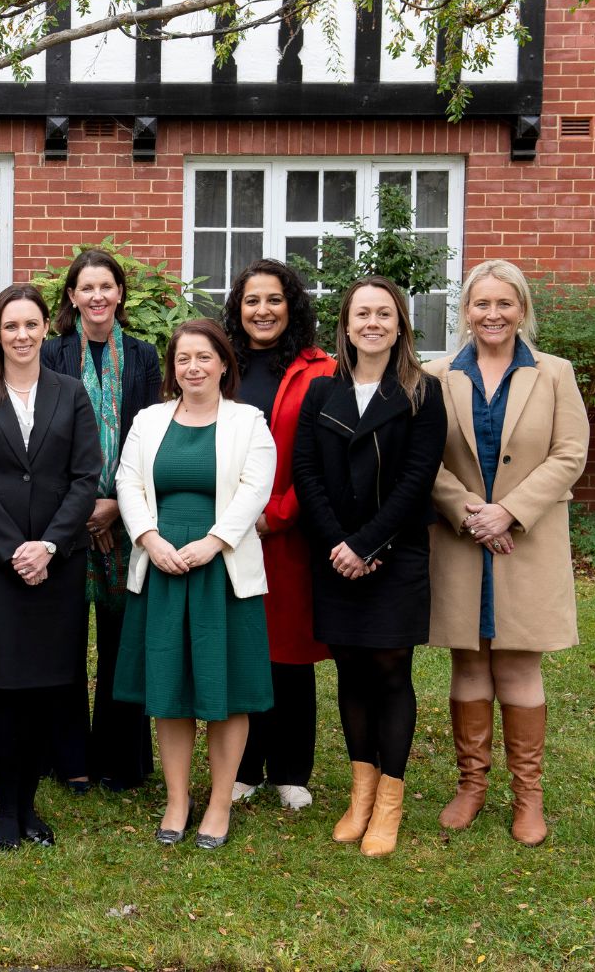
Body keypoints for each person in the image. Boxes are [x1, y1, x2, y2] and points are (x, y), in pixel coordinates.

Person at [425, 260, 588, 847]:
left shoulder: (554, 373)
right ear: (465, 311)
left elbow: (570, 453)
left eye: (504, 304)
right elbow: (423, 458)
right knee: (469, 661)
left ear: (522, 309)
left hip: (528, 540)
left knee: (519, 664)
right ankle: (471, 786)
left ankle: (528, 796)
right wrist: (472, 511)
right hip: (462, 541)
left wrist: (510, 511)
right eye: (481, 304)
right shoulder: (436, 374)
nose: (492, 315)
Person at [292, 277, 447, 857]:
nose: (373, 323)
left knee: (390, 671)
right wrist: (341, 544)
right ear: (347, 325)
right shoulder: (320, 392)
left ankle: (389, 803)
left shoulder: (422, 392)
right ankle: (360, 796)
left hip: (396, 552)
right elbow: (306, 473)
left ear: (400, 324)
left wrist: (368, 545)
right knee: (351, 670)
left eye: (384, 313)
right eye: (363, 314)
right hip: (335, 554)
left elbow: (417, 479)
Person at [0, 283, 100, 850]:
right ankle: (7, 810)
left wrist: (49, 546)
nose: (21, 335)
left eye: (31, 324)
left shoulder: (71, 392)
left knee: (46, 687)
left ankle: (31, 806)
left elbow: (85, 477)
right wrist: (17, 549)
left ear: (45, 329)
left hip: (58, 563)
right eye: (10, 325)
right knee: (8, 687)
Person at [114, 319, 275, 850]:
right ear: (172, 368)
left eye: (204, 357)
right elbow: (128, 482)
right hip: (162, 565)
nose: (193, 367)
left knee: (228, 688)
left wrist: (214, 542)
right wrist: (149, 538)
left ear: (224, 363)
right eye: (183, 359)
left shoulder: (248, 422)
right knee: (170, 688)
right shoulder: (149, 420)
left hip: (222, 570)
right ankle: (177, 800)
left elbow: (255, 489)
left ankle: (221, 802)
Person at [40, 248, 159, 793]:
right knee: (63, 638)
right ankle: (68, 757)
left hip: (128, 514)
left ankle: (120, 757)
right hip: (65, 514)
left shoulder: (143, 356)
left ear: (120, 293)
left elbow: (149, 432)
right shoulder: (52, 352)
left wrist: (116, 505)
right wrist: (84, 506)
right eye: (86, 288)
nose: (97, 296)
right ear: (71, 296)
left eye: (106, 286)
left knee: (122, 639)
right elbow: (44, 435)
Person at [222, 260, 335, 811]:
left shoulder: (320, 369)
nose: (262, 311)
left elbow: (322, 456)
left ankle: (291, 769)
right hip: (227, 528)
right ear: (237, 308)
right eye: (251, 301)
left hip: (286, 531)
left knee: (289, 652)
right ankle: (244, 767)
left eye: (273, 300)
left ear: (291, 306)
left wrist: (279, 514)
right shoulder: (221, 364)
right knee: (240, 647)